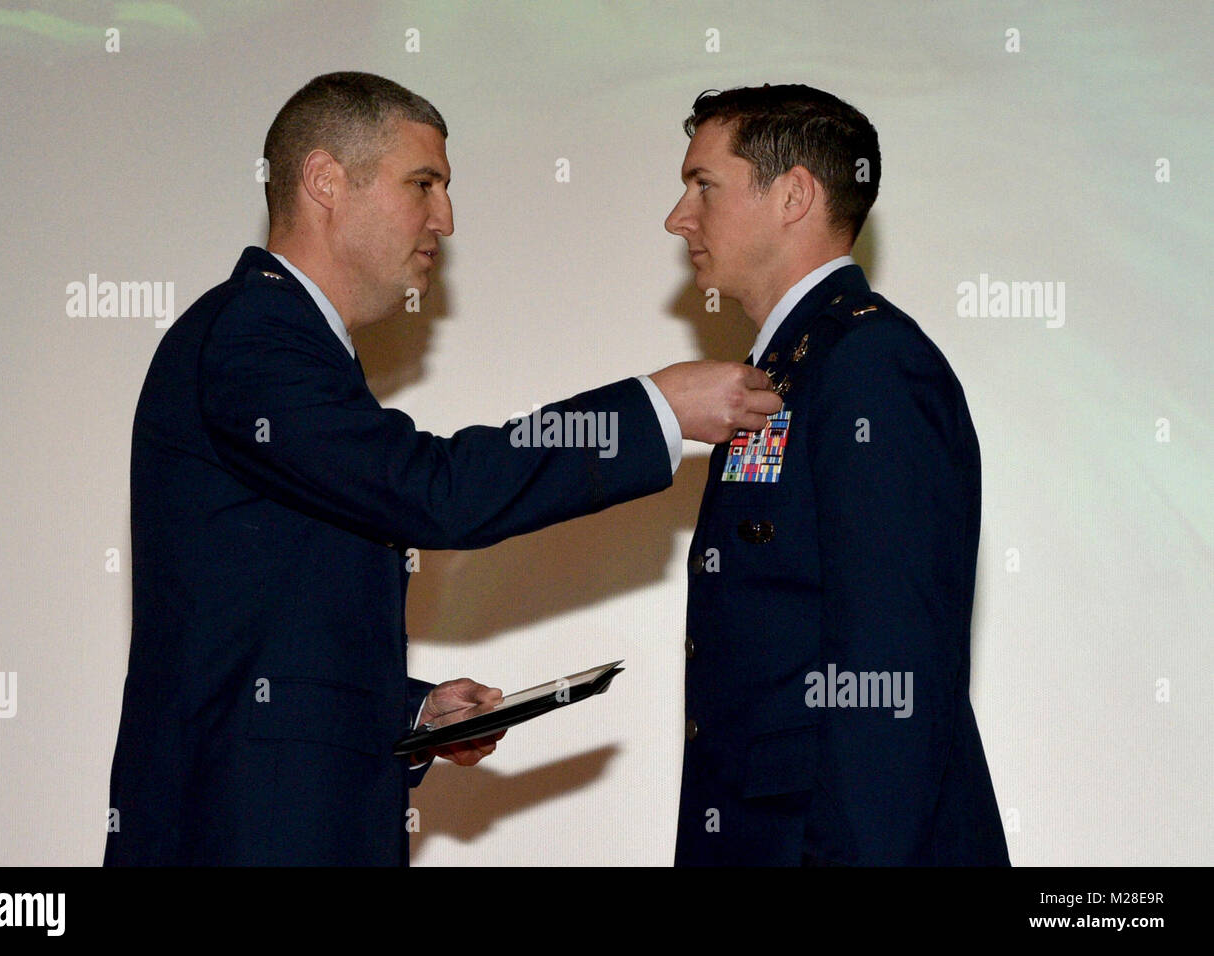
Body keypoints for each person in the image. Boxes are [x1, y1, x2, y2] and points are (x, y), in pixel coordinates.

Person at [103, 72, 780, 866]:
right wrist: (655, 409)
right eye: (423, 184)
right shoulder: (256, 335)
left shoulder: (283, 341)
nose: (446, 220)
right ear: (325, 181)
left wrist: (411, 711)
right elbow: (433, 490)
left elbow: (259, 621)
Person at [664, 84, 1010, 865]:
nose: (678, 216)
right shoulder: (796, 365)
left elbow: (891, 672)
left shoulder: (871, 365)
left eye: (703, 185)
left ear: (793, 195)